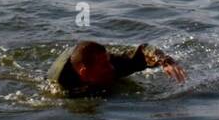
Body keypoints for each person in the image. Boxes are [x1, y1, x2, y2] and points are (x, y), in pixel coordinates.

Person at [47, 40, 186, 96]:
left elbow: (144, 50)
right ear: (85, 72)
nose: (111, 68)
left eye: (108, 62)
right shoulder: (63, 84)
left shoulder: (115, 64)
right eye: (104, 66)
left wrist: (165, 61)